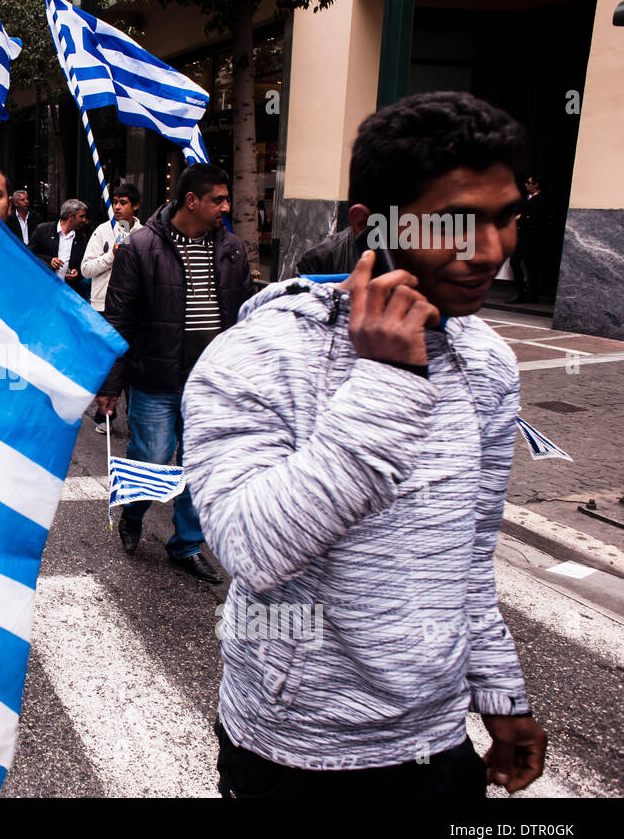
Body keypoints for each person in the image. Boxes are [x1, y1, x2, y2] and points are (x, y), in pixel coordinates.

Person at [183, 90, 547, 798]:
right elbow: (252, 550)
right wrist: (388, 381)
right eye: (457, 224)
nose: (492, 252)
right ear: (368, 223)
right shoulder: (254, 356)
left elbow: (470, 555)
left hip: (439, 739)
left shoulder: (489, 363)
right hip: (293, 750)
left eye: (507, 219)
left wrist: (501, 692)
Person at [95, 164, 252, 583]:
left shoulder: (233, 249)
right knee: (153, 458)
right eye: (218, 199)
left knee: (204, 465)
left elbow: (245, 317)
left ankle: (185, 545)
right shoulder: (140, 247)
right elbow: (118, 320)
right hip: (156, 379)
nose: (225, 206)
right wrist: (110, 385)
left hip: (214, 384)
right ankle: (133, 514)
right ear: (191, 200)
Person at [80, 182, 142, 314]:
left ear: (135, 206)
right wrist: (111, 256)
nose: (117, 207)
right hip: (103, 306)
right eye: (115, 202)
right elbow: (86, 269)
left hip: (132, 306)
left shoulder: (144, 234)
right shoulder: (102, 231)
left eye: (123, 203)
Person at [29, 199, 90, 297]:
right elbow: (29, 255)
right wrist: (49, 261)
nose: (84, 220)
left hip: (69, 293)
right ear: (71, 216)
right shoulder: (42, 230)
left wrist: (77, 272)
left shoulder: (82, 237)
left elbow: (86, 262)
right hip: (44, 290)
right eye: (81, 216)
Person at [508, 173, 549, 303]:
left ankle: (531, 292)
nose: (526, 185)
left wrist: (523, 218)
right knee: (515, 261)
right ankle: (521, 291)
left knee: (531, 265)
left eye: (529, 182)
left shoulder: (542, 199)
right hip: (523, 235)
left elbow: (537, 218)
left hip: (533, 237)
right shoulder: (526, 198)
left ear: (536, 184)